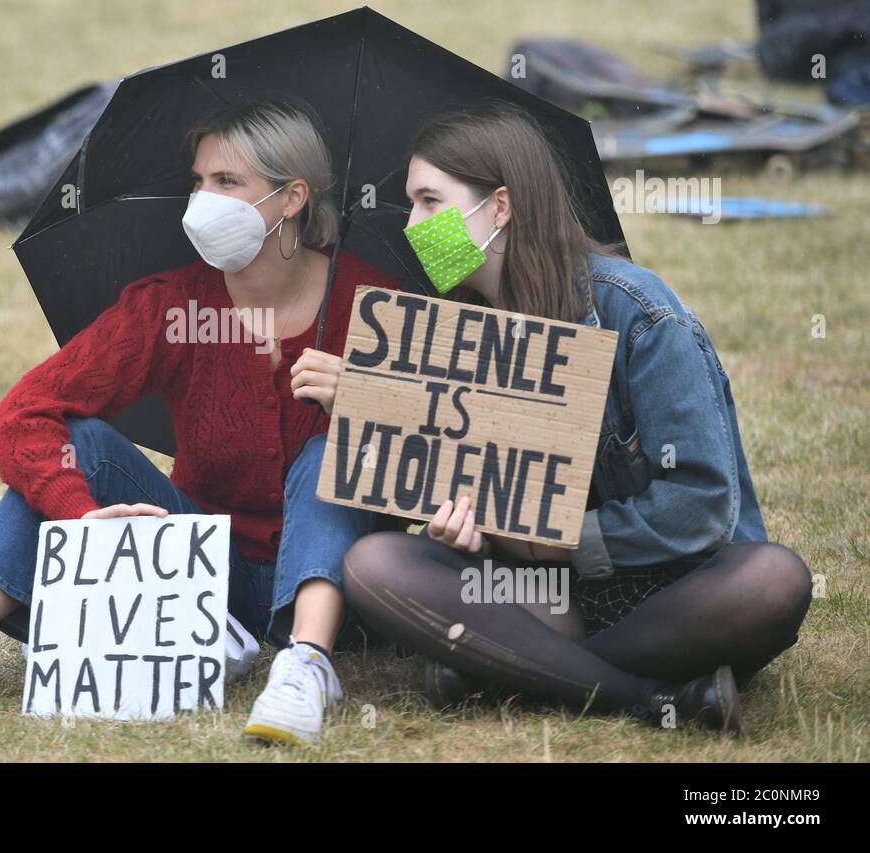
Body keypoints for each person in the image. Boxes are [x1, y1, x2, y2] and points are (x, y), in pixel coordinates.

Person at [0, 100, 400, 745]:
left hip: (339, 580)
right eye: (197, 182)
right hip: (205, 563)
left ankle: (307, 664)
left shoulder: (374, 304)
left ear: (292, 197)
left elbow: (449, 442)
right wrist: (77, 514)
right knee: (82, 443)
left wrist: (370, 397)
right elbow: (24, 412)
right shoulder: (173, 305)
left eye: (227, 183)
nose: (201, 201)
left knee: (328, 451)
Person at [340, 103, 813, 734]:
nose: (414, 224)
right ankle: (649, 698)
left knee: (774, 579)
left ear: (500, 207)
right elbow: (480, 502)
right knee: (376, 564)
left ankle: (506, 670)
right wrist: (455, 520)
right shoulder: (452, 330)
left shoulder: (638, 312)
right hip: (544, 597)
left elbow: (700, 503)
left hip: (670, 592)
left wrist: (568, 540)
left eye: (430, 201)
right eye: (412, 204)